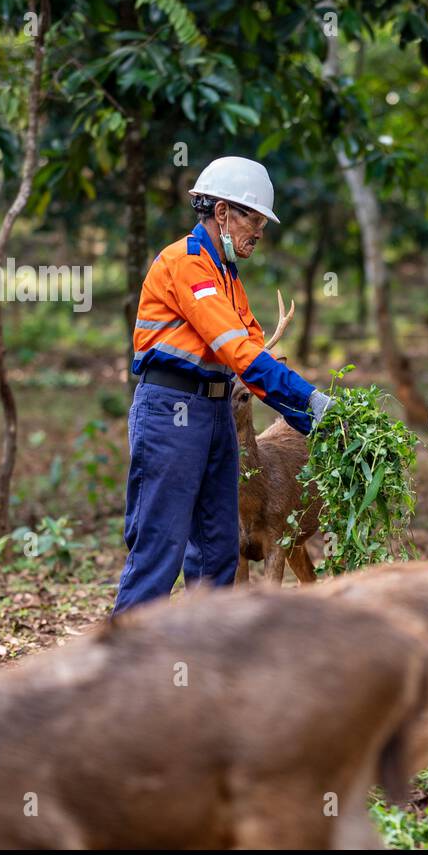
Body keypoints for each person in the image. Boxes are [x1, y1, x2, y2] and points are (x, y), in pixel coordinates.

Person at [111, 156, 331, 616]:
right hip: (170, 410)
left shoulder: (228, 279)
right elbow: (242, 354)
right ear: (223, 212)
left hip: (216, 415)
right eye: (254, 219)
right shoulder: (186, 264)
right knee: (159, 548)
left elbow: (255, 361)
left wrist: (312, 419)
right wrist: (310, 398)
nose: (259, 233)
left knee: (218, 553)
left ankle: (200, 671)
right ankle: (120, 675)